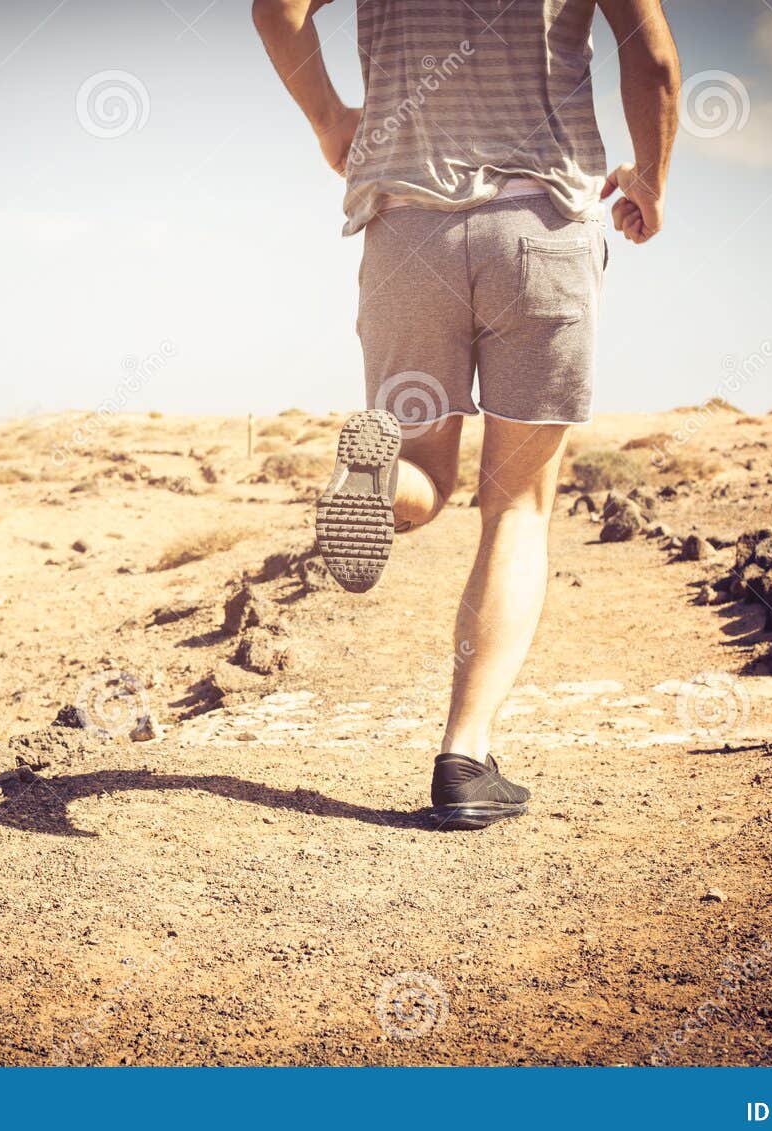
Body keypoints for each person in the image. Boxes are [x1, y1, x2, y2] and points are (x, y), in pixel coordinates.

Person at [253, 0, 680, 829]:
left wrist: (330, 118)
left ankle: (374, 488)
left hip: (407, 232)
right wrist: (650, 178)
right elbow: (654, 60)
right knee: (516, 507)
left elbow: (277, 8)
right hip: (542, 228)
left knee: (424, 472)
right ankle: (464, 756)